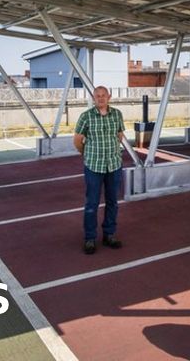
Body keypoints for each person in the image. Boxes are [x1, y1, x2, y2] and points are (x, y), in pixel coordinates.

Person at [73, 85, 126, 255]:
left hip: (113, 165)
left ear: (109, 97)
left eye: (104, 95)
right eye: (97, 96)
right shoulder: (86, 116)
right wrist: (87, 154)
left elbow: (119, 135)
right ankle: (90, 238)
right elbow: (77, 140)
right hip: (94, 166)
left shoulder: (117, 114)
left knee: (112, 202)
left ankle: (109, 235)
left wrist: (113, 151)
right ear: (93, 98)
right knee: (91, 204)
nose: (101, 98)